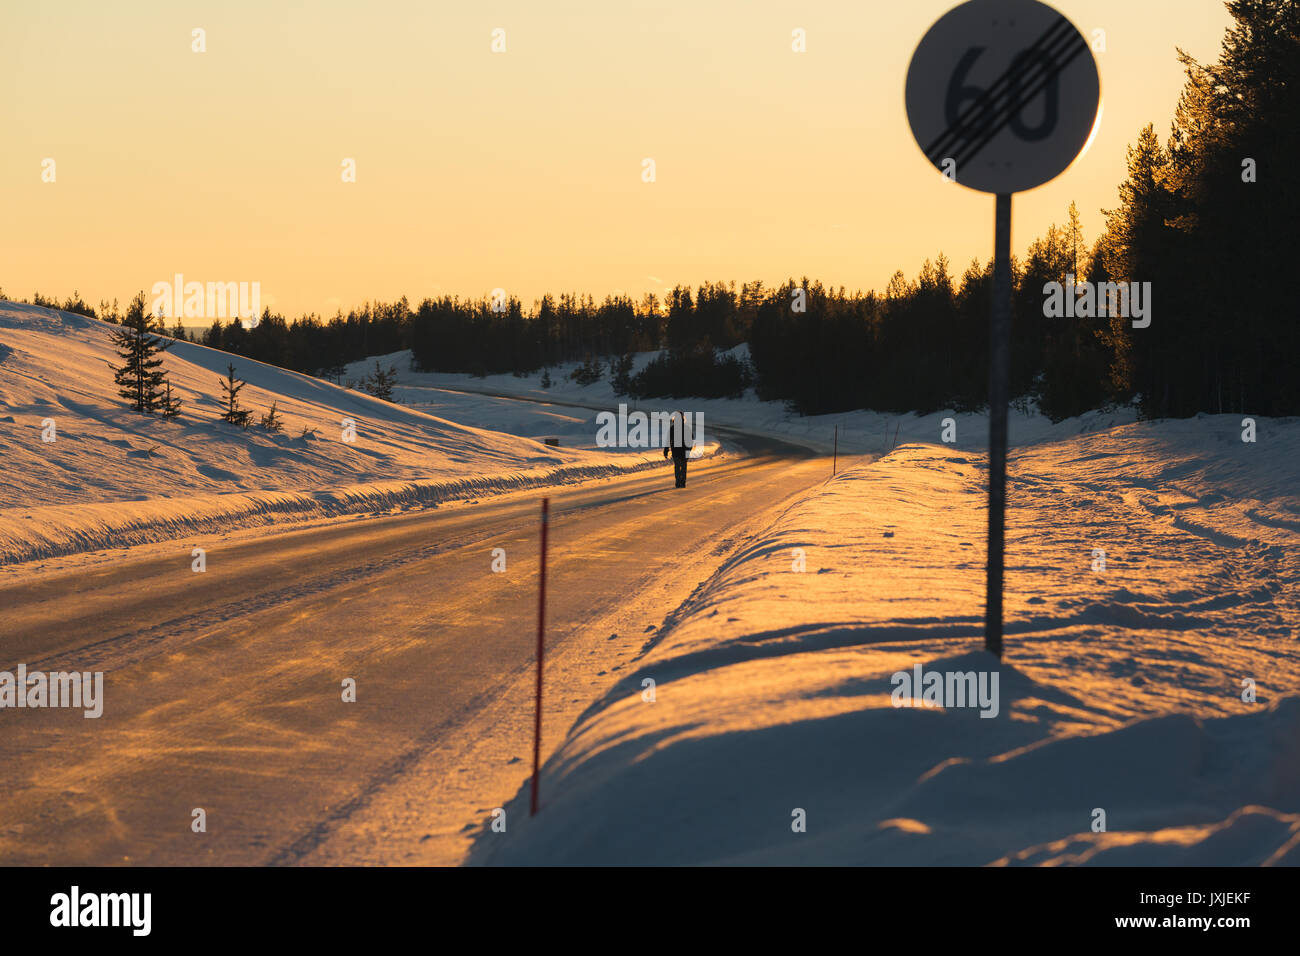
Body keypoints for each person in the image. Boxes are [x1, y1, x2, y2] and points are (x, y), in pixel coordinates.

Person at [663, 410, 690, 488]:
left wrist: (666, 450)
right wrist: (689, 449)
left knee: (677, 466)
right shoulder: (686, 428)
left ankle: (678, 481)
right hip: (684, 451)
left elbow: (668, 440)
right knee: (683, 467)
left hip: (676, 451)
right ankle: (682, 482)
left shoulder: (672, 428)